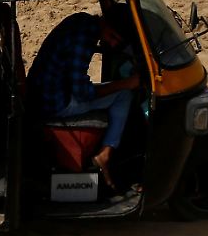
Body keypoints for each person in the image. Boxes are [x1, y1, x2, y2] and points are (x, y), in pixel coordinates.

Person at [27, 12, 139, 187]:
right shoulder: (84, 40)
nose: (112, 44)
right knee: (124, 95)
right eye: (112, 37)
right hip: (55, 103)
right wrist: (126, 83)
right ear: (105, 23)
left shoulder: (82, 20)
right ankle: (105, 154)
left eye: (117, 41)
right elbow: (83, 93)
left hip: (43, 92)